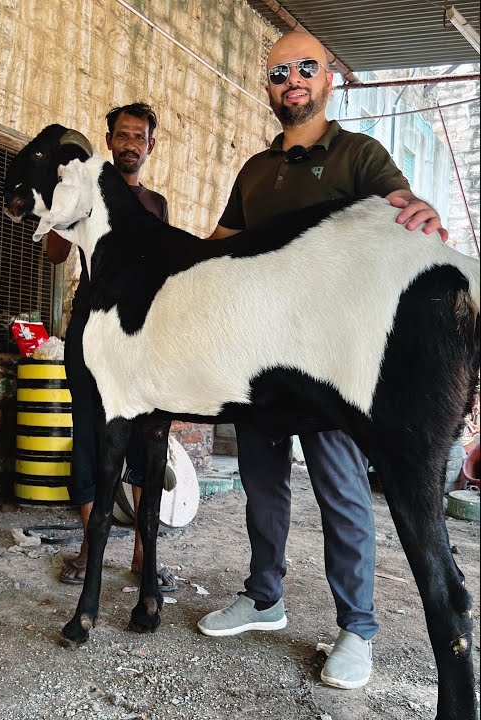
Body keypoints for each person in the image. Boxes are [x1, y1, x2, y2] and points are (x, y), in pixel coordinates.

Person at [196, 31, 447, 691]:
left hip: (333, 358)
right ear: (270, 85)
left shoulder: (360, 155)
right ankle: (263, 597)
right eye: (279, 72)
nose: (292, 80)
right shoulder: (253, 171)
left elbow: (405, 213)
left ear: (329, 77)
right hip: (258, 355)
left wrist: (421, 211)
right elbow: (217, 248)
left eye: (306, 68)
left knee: (340, 488)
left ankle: (358, 627)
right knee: (261, 481)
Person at [47, 102, 177, 592]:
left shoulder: (156, 205)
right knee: (89, 432)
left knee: (146, 439)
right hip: (92, 326)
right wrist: (63, 207)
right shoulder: (83, 196)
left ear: (149, 146)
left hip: (144, 331)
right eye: (121, 136)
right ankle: (89, 544)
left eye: (138, 137)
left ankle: (144, 554)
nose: (129, 145)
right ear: (109, 142)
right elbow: (54, 255)